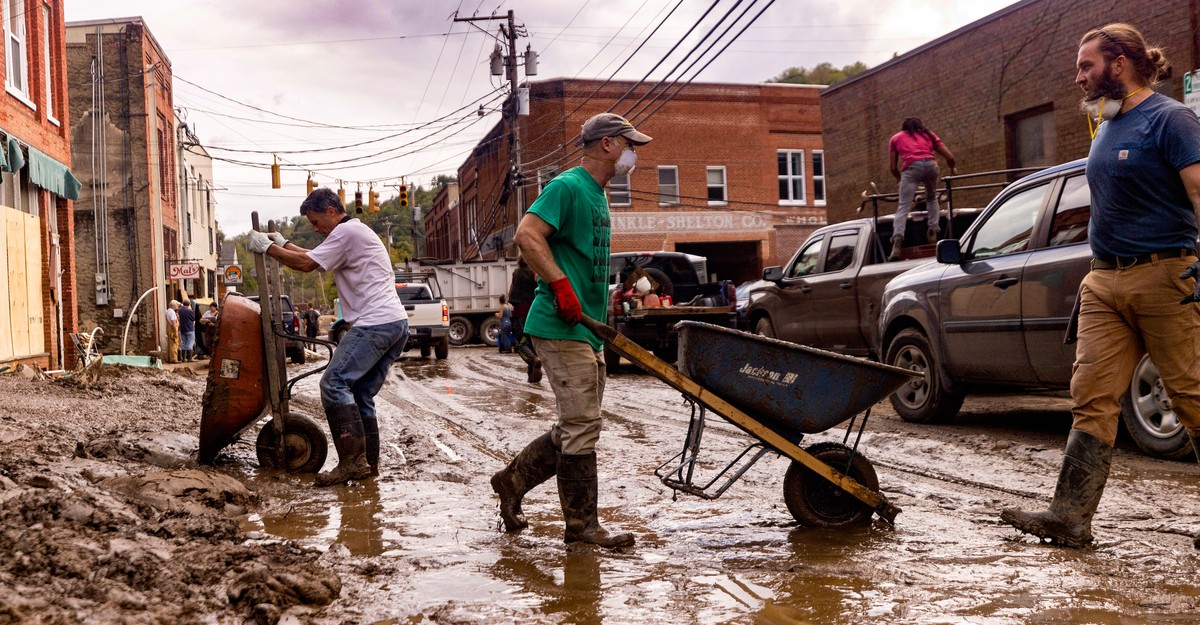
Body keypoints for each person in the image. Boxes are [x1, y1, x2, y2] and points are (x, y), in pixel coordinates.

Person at [1001, 23, 1200, 550]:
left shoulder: (1171, 119)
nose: (1078, 77)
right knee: (1091, 398)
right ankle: (1069, 516)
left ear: (1119, 62)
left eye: (1087, 65)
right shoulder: (1107, 124)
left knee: (1191, 395)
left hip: (1165, 276)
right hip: (1104, 281)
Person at [491, 112, 651, 549]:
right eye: (628, 144)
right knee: (582, 424)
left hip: (587, 330)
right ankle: (582, 528)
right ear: (606, 145)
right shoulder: (567, 186)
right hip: (561, 326)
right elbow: (527, 234)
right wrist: (560, 285)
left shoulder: (599, 195)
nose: (633, 153)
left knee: (574, 427)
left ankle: (511, 482)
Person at [247, 188, 409, 487]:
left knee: (334, 383)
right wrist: (283, 243)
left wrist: (266, 248)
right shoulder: (351, 233)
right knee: (359, 393)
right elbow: (312, 256)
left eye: (316, 220)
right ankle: (366, 465)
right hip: (394, 322)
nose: (314, 227)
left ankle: (351, 463)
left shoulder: (347, 234)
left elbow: (307, 265)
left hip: (375, 322)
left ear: (332, 210)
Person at [887, 117, 957, 260]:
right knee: (932, 198)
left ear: (904, 127)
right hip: (931, 166)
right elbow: (950, 157)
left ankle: (898, 239)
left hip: (911, 167)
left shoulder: (896, 138)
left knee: (904, 206)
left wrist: (900, 179)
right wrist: (952, 168)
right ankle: (932, 229)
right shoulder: (929, 135)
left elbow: (893, 167)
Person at [509, 257, 541, 383]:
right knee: (532, 342)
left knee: (521, 343)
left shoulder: (516, 273)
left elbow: (511, 292)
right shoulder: (535, 272)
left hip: (520, 311)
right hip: (534, 310)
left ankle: (533, 360)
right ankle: (532, 374)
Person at [165, 300, 180, 364]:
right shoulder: (172, 312)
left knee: (170, 344)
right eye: (177, 305)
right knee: (174, 344)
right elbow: (173, 323)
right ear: (174, 305)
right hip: (172, 330)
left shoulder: (168, 311)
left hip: (169, 330)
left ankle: (169, 358)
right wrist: (176, 331)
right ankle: (174, 358)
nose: (178, 306)